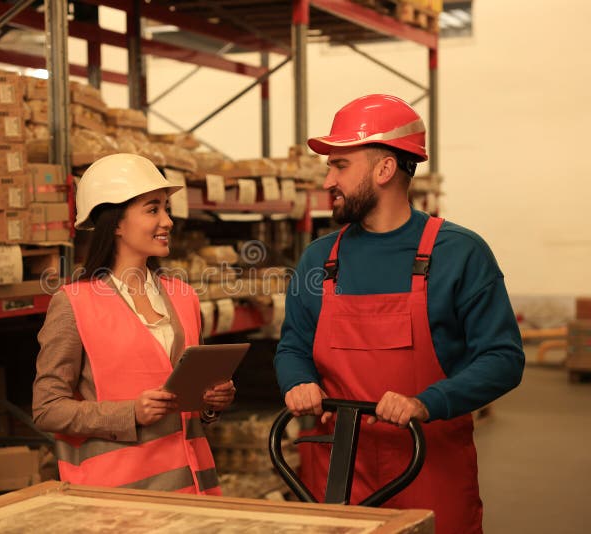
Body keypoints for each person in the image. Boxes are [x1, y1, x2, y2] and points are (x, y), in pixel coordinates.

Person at [274, 94, 524, 533]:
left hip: (428, 464)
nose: (328, 180)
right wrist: (297, 381)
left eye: (340, 166)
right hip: (337, 466)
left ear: (385, 169)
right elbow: (293, 343)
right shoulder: (319, 260)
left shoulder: (459, 254)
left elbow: (503, 359)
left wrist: (427, 403)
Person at [32, 153, 234, 495]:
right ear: (116, 223)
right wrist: (128, 414)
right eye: (153, 209)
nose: (168, 221)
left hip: (193, 490)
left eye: (166, 208)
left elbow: (189, 403)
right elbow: (47, 409)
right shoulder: (74, 304)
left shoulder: (184, 296)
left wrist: (212, 401)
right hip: (119, 499)